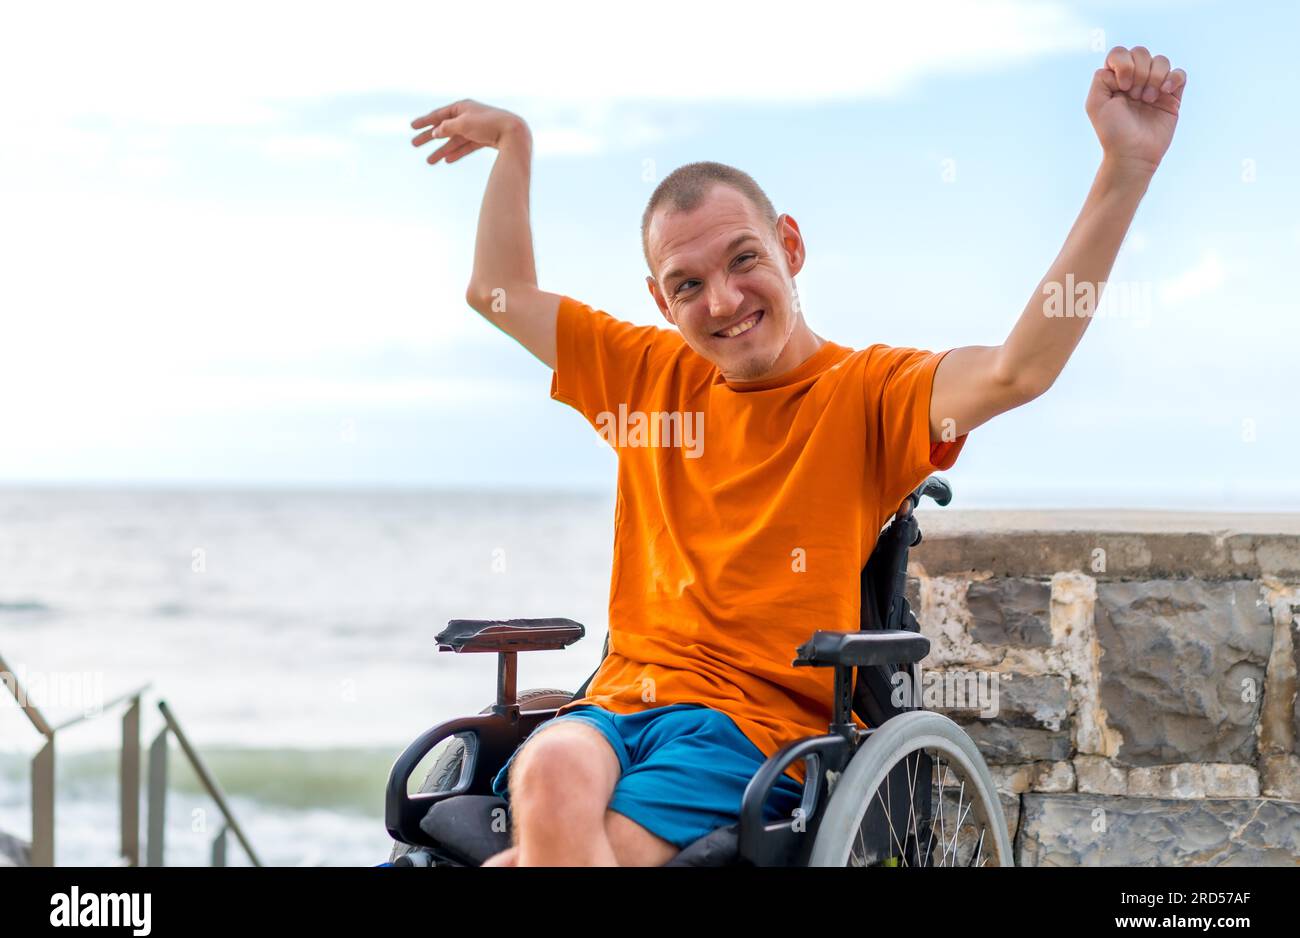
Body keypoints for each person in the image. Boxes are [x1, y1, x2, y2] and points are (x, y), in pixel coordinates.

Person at [408, 45, 1186, 866]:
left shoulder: (867, 393)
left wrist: (1125, 167)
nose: (723, 301)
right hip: (616, 707)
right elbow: (496, 294)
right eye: (686, 284)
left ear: (790, 245)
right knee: (550, 769)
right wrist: (514, 145)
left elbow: (1016, 369)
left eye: (744, 259)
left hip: (753, 730)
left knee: (590, 845)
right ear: (659, 300)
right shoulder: (644, 374)